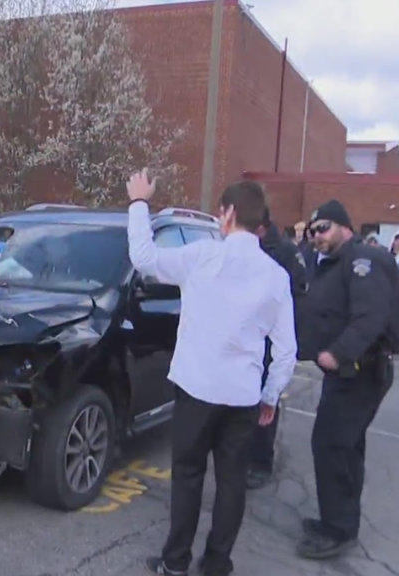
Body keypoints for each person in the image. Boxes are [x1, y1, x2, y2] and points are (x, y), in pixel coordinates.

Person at [125, 172, 296, 576]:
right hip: (241, 397)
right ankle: (218, 563)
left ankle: (175, 562)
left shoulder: (202, 256)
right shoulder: (276, 276)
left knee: (187, 477)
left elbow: (144, 259)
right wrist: (270, 396)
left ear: (229, 213)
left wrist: (138, 203)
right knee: (232, 482)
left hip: (197, 388)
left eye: (221, 213)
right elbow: (286, 351)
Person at [296, 200, 399, 561]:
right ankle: (339, 519)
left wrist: (337, 353)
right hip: (346, 373)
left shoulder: (363, 262)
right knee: (345, 446)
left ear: (345, 227)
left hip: (359, 370)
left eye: (323, 228)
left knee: (331, 445)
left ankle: (338, 529)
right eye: (312, 231)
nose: (316, 236)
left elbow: (369, 317)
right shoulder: (332, 264)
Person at [246, 208, 308, 490]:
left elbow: (298, 292)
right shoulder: (245, 247)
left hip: (270, 338)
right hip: (246, 337)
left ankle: (260, 461)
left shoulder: (283, 252)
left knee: (265, 402)